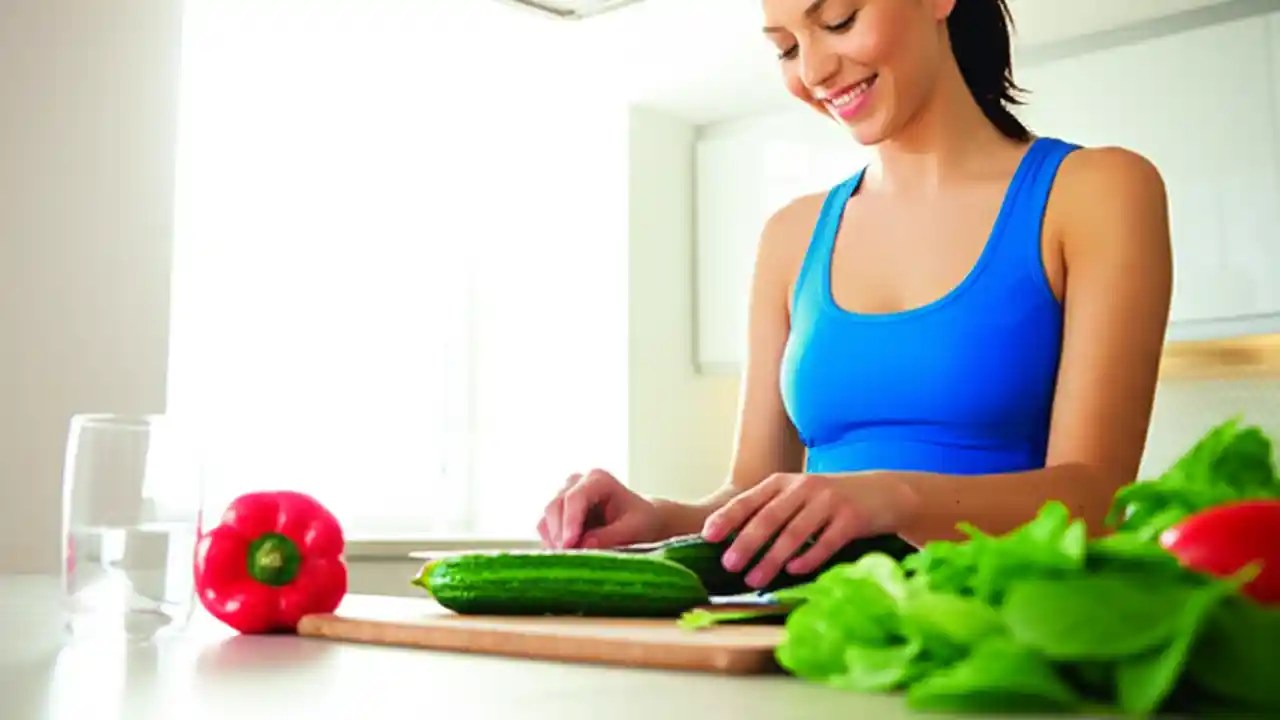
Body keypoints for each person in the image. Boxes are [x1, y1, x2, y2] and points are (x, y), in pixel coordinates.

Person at [537, 0, 1173, 591]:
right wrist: (655, 519)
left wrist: (893, 499)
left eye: (838, 20)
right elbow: (751, 491)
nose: (813, 70)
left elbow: (1095, 499)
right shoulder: (791, 235)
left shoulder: (1096, 191)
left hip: (1003, 636)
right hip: (818, 634)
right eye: (786, 48)